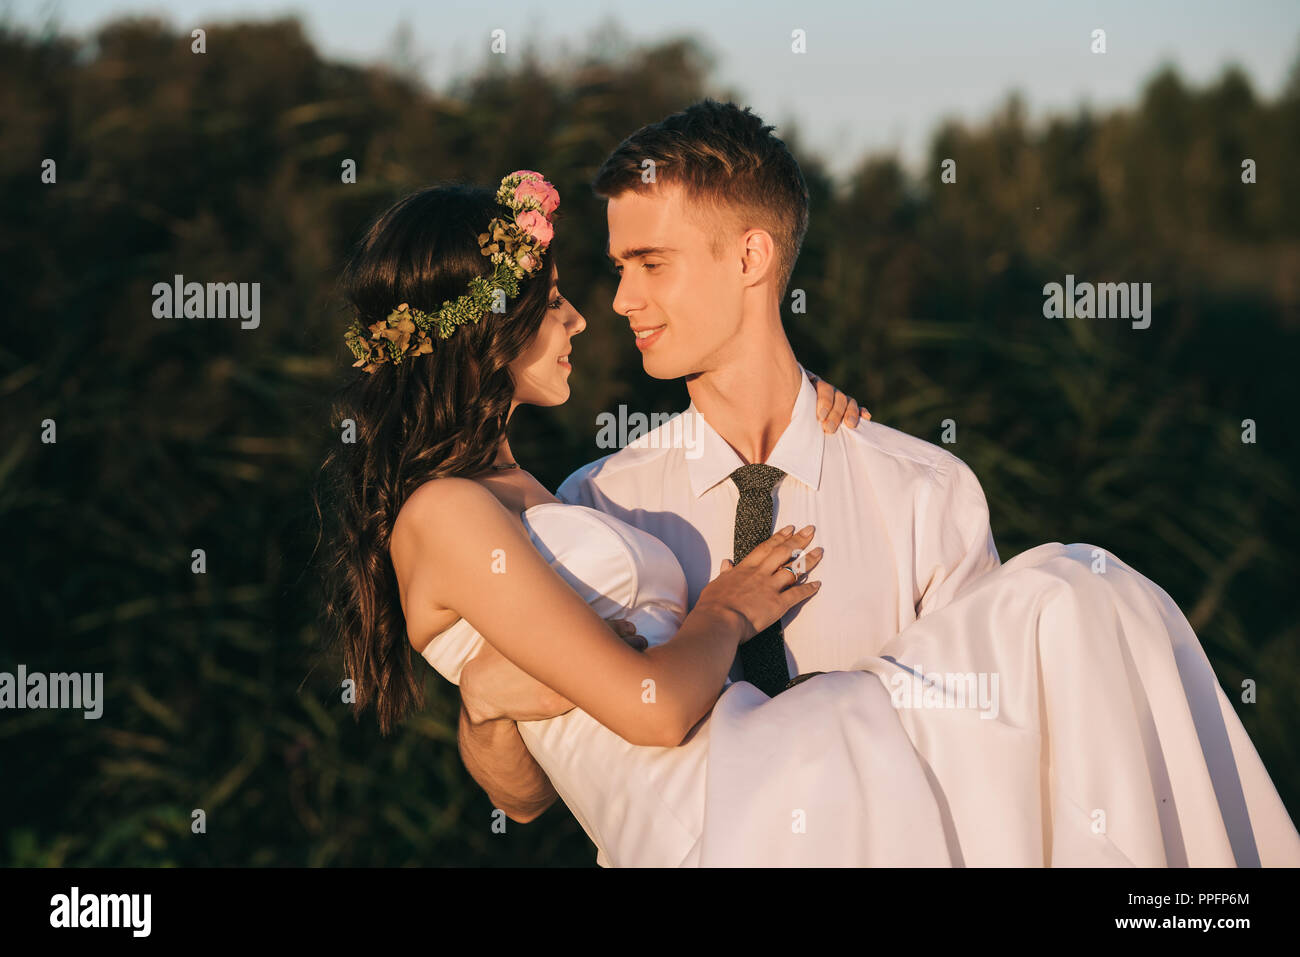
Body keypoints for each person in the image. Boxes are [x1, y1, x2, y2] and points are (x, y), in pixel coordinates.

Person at [323, 150, 1300, 866]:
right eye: (563, 295)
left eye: (644, 266)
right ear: (480, 331)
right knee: (1068, 601)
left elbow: (994, 748)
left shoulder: (911, 483)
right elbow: (564, 765)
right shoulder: (588, 493)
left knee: (1083, 608)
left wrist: (824, 431)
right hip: (722, 814)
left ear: (749, 258)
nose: (602, 309)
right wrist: (714, 616)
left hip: (817, 787)